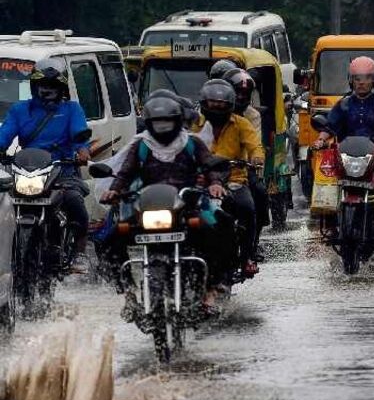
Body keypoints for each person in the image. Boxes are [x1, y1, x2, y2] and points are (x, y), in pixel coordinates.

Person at [99, 92, 228, 314]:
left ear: (177, 121)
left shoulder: (192, 143)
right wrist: (114, 191)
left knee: (220, 229)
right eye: (158, 123)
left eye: (167, 122)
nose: (163, 127)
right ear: (149, 123)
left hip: (186, 206)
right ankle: (128, 294)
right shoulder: (142, 145)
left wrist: (215, 183)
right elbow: (126, 172)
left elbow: (210, 165)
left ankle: (211, 292)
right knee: (107, 241)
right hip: (149, 207)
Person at [0, 58, 91, 272]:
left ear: (61, 88)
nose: (46, 90)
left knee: (75, 201)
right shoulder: (19, 109)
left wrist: (82, 152)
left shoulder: (72, 109)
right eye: (42, 86)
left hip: (63, 171)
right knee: (4, 202)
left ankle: (79, 254)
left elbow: (81, 138)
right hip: (27, 171)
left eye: (51, 86)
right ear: (34, 86)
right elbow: (4, 137)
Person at [311, 56, 374, 231]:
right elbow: (330, 126)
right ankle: (330, 224)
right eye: (357, 79)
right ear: (351, 80)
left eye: (366, 78)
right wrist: (320, 140)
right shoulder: (343, 105)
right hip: (346, 158)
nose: (361, 83)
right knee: (328, 179)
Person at [195, 79, 264, 277]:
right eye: (212, 102)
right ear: (203, 103)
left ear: (230, 105)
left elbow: (254, 145)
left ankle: (247, 256)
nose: (216, 106)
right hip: (201, 180)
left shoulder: (241, 123)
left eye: (221, 103)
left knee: (248, 208)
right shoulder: (194, 123)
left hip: (234, 179)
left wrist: (257, 158)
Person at [223, 67, 270, 239]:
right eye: (237, 93)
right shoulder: (205, 114)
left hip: (239, 170)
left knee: (258, 194)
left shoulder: (250, 117)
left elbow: (254, 143)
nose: (241, 97)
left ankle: (252, 243)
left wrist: (256, 158)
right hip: (210, 171)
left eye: (245, 93)